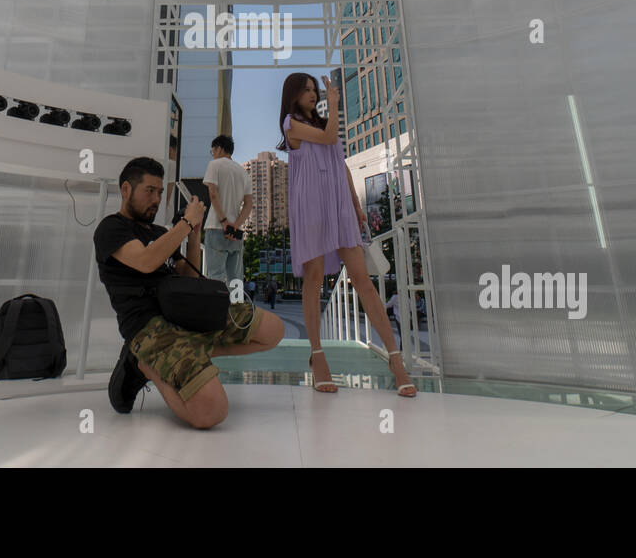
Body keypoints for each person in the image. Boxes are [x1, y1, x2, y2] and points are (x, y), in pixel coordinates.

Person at [95, 157, 285, 429]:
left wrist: (194, 235)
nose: (156, 199)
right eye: (149, 191)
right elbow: (146, 261)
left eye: (160, 192)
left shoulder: (161, 232)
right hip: (148, 326)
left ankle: (191, 351)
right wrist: (185, 223)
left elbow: (189, 276)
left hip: (185, 313)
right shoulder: (111, 228)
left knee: (273, 330)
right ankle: (143, 364)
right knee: (211, 412)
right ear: (126, 190)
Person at [279, 73, 416, 397]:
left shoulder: (324, 126)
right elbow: (327, 140)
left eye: (316, 90)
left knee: (363, 279)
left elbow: (341, 165)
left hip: (338, 205)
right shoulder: (290, 123)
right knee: (313, 280)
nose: (314, 95)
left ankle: (395, 359)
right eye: (307, 90)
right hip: (311, 205)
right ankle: (317, 355)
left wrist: (355, 207)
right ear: (293, 95)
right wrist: (336, 103)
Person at [202, 135, 253, 288]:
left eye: (213, 151)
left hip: (216, 227)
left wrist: (224, 221)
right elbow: (248, 204)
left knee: (215, 276)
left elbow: (213, 193)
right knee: (236, 278)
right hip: (236, 233)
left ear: (219, 148)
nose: (213, 154)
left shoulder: (215, 165)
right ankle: (236, 309)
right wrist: (235, 225)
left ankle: (216, 310)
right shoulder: (243, 172)